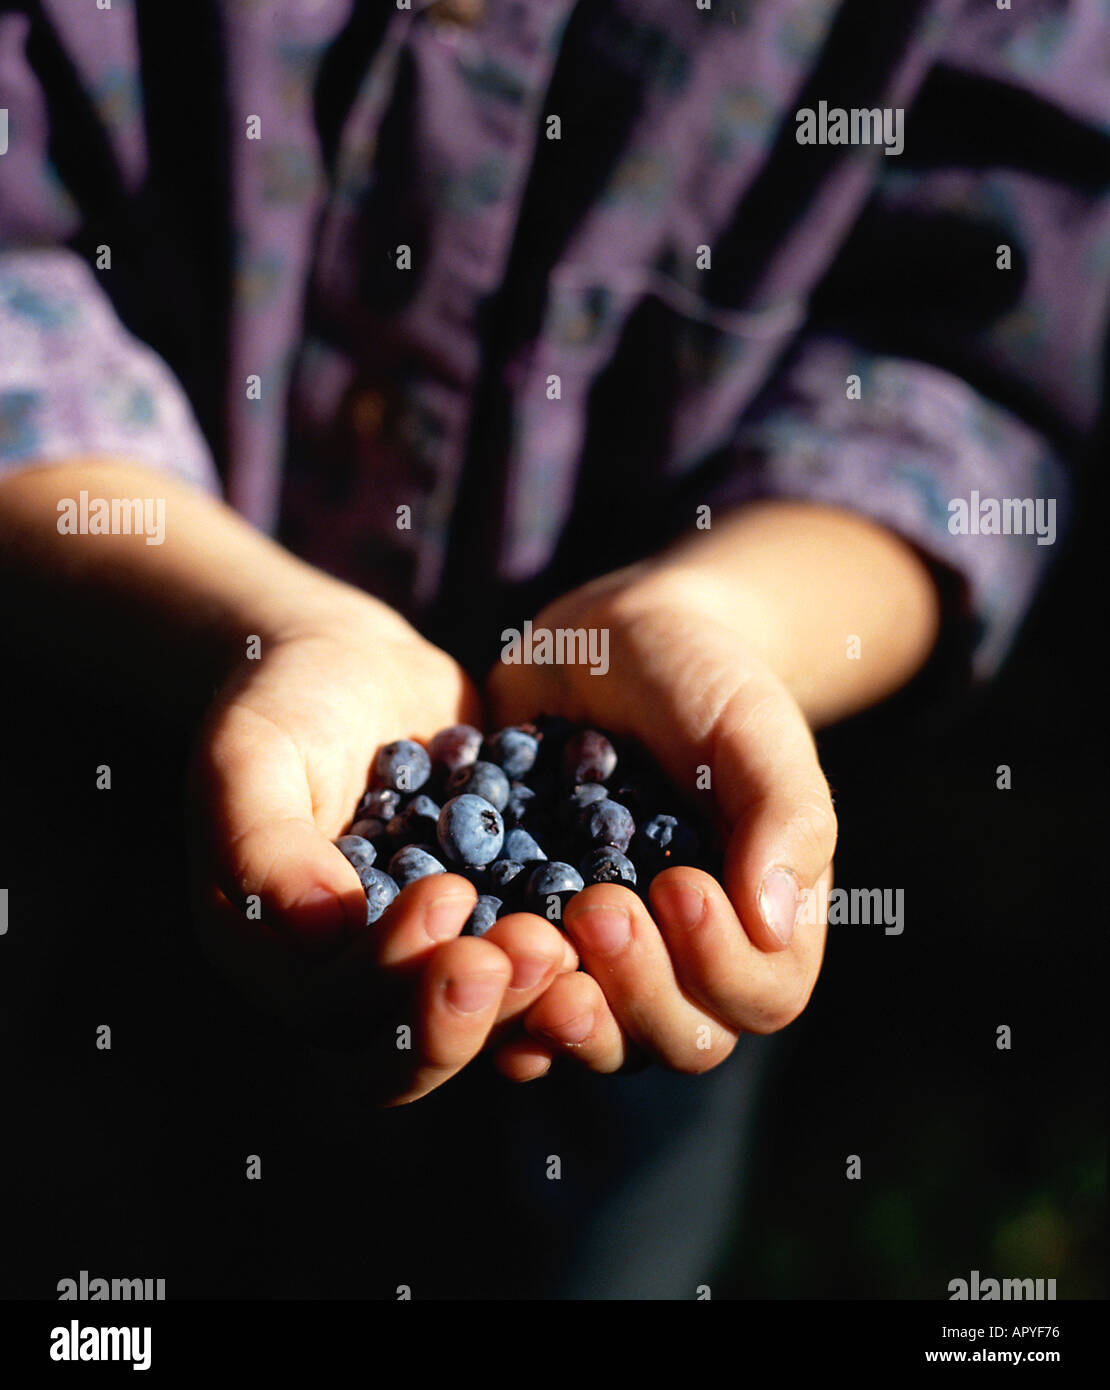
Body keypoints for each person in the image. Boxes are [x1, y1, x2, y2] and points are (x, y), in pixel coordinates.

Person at [0, 0, 1102, 1297]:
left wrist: (723, 626)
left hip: (630, 1008)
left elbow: (968, 351)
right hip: (90, 770)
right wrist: (248, 622)